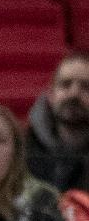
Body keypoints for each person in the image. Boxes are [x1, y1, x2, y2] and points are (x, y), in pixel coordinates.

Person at [26, 51, 89, 193]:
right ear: (50, 95)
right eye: (65, 85)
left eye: (86, 87)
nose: (74, 93)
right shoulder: (21, 152)